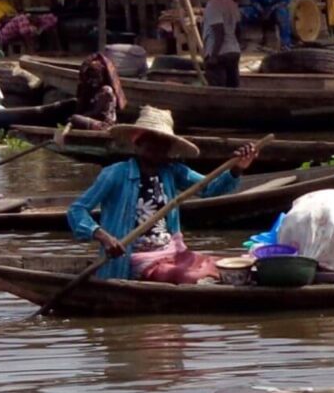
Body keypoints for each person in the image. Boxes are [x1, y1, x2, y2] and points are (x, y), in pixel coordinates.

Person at [66, 106, 256, 282]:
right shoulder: (116, 173)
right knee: (188, 276)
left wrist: (237, 169)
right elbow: (77, 210)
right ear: (138, 144)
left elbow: (210, 188)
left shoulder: (173, 171)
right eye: (151, 141)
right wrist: (105, 238)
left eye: (162, 143)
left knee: (222, 265)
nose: (157, 148)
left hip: (172, 252)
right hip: (134, 258)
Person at [68, 50, 126, 130]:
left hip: (104, 124)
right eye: (90, 77)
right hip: (92, 119)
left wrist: (78, 118)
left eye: (96, 77)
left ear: (102, 77)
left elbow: (96, 113)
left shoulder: (106, 91)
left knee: (75, 118)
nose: (93, 81)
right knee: (70, 104)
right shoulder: (89, 88)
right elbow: (80, 105)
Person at [202, 0, 243, 88]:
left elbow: (219, 32)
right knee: (233, 87)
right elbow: (238, 30)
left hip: (220, 53)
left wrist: (214, 56)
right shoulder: (231, 3)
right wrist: (237, 46)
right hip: (233, 51)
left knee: (218, 88)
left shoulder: (212, 4)